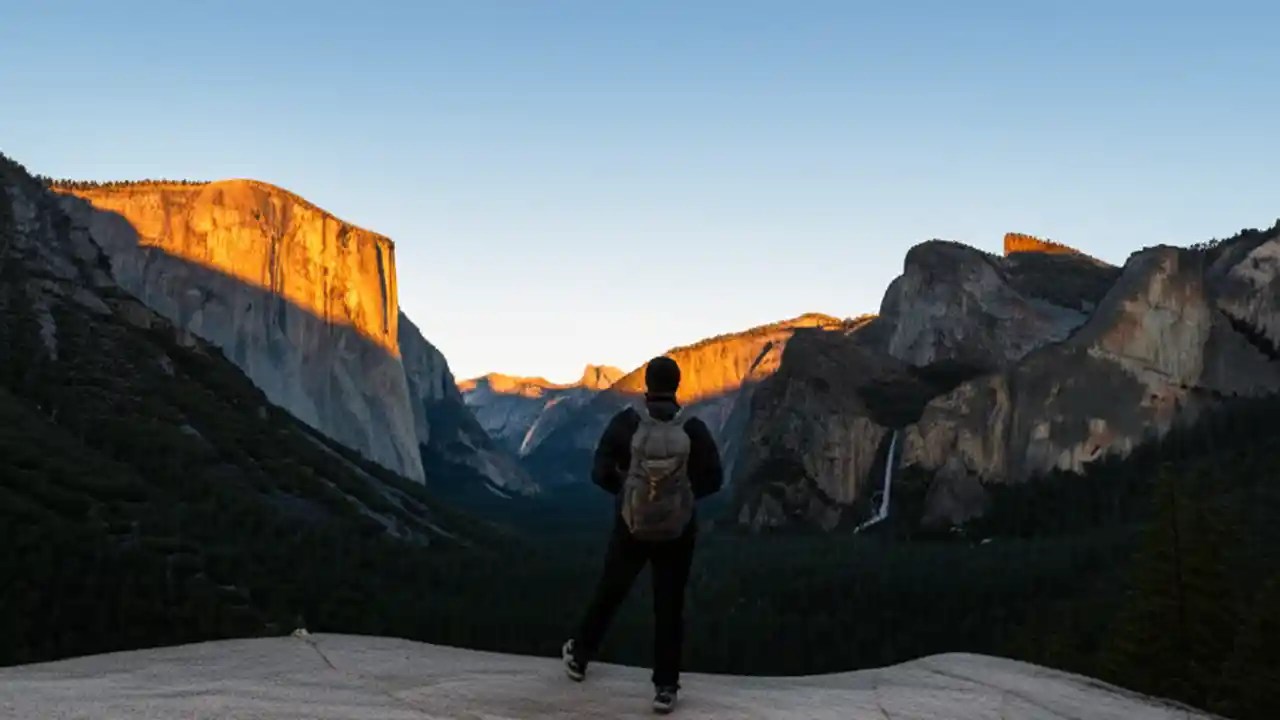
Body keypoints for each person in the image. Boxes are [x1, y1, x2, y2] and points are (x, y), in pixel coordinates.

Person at [561, 355, 723, 715]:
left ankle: (579, 658)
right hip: (678, 532)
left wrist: (626, 491)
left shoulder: (627, 424)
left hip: (630, 527)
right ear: (677, 386)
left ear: (646, 387)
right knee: (669, 606)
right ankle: (665, 688)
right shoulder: (693, 429)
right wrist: (682, 497)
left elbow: (599, 471)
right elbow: (714, 479)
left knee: (611, 591)